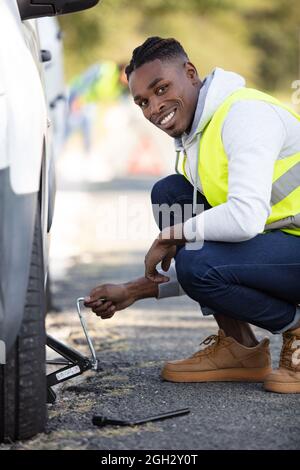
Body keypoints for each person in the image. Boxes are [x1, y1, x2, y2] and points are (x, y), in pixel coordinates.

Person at [84, 37, 300, 393]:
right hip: (284, 247)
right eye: (142, 102)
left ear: (190, 72)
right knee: (171, 194)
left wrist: (171, 235)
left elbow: (244, 220)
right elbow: (218, 264)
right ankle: (240, 348)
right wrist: (134, 290)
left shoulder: (244, 115)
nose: (154, 108)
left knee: (191, 244)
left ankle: (296, 330)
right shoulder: (198, 135)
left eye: (161, 88)